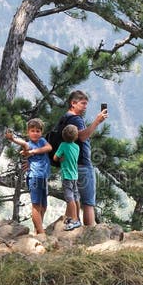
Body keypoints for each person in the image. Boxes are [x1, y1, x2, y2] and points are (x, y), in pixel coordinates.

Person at [64, 90, 107, 226]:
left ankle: (70, 229)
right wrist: (97, 122)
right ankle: (91, 237)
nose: (85, 106)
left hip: (70, 165)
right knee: (88, 204)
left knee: (72, 198)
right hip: (83, 164)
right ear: (73, 103)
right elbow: (82, 136)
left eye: (86, 104)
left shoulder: (65, 118)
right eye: (83, 103)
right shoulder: (76, 119)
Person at [5, 119, 52, 235]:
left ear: (41, 132)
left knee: (44, 205)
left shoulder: (42, 141)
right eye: (32, 131)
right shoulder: (28, 145)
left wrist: (34, 152)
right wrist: (13, 139)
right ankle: (41, 233)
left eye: (38, 131)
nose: (35, 133)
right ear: (28, 132)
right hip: (34, 177)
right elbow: (23, 144)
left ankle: (38, 230)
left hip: (44, 177)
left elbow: (49, 148)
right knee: (36, 205)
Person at [53, 123, 82, 230]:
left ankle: (74, 220)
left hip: (67, 176)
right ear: (76, 136)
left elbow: (56, 157)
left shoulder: (63, 145)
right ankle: (77, 218)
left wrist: (60, 159)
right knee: (76, 197)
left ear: (63, 136)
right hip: (75, 175)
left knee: (70, 198)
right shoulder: (77, 147)